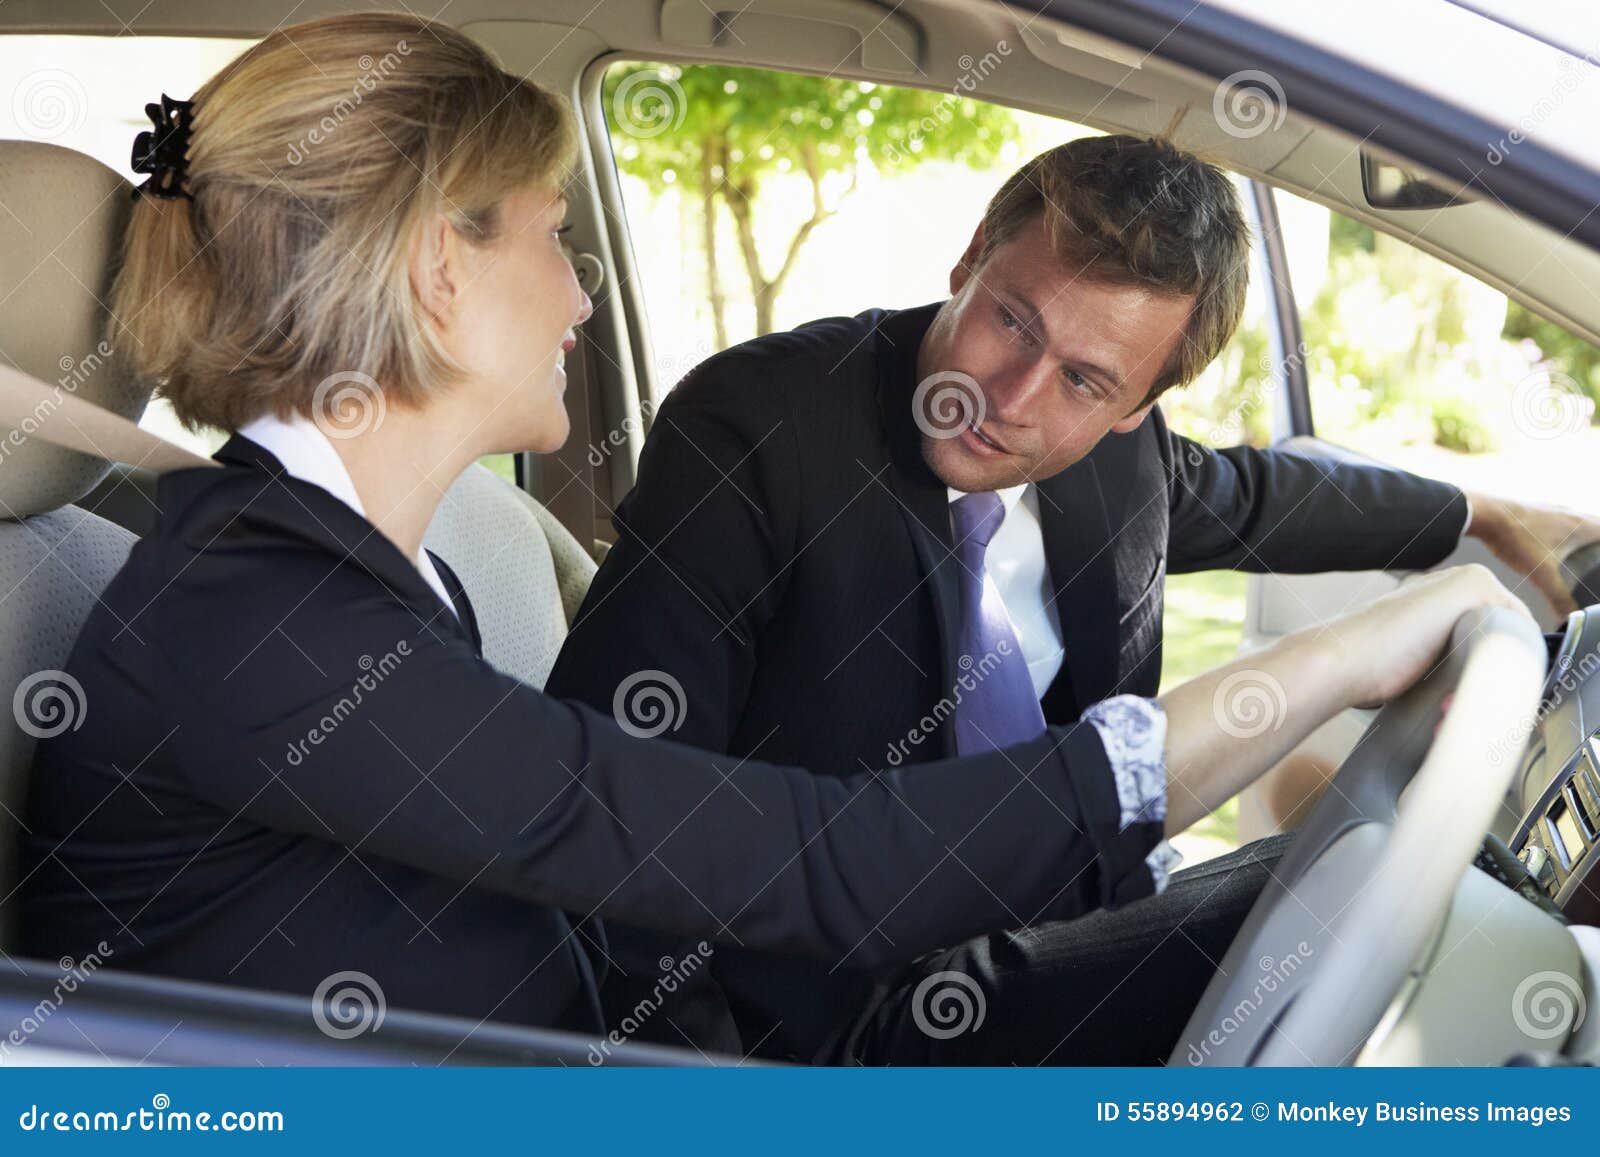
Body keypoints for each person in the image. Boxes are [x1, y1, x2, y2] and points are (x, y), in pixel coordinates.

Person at [13, 12, 1531, 1062]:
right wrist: (1329, 667)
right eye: (552, 233)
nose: (583, 291)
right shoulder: (265, 627)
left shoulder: (341, 572)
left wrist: (1474, 529)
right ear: (438, 273)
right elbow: (822, 866)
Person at [544, 134, 1597, 1062]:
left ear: (1139, 405)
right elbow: (618, 807)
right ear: (968, 260)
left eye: (1086, 381)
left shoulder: (1122, 463)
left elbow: (1253, 498)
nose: (1009, 398)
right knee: (1346, 897)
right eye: (1011, 321)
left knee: (1372, 878)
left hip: (1062, 917)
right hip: (832, 1020)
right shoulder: (757, 428)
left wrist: (1481, 512)